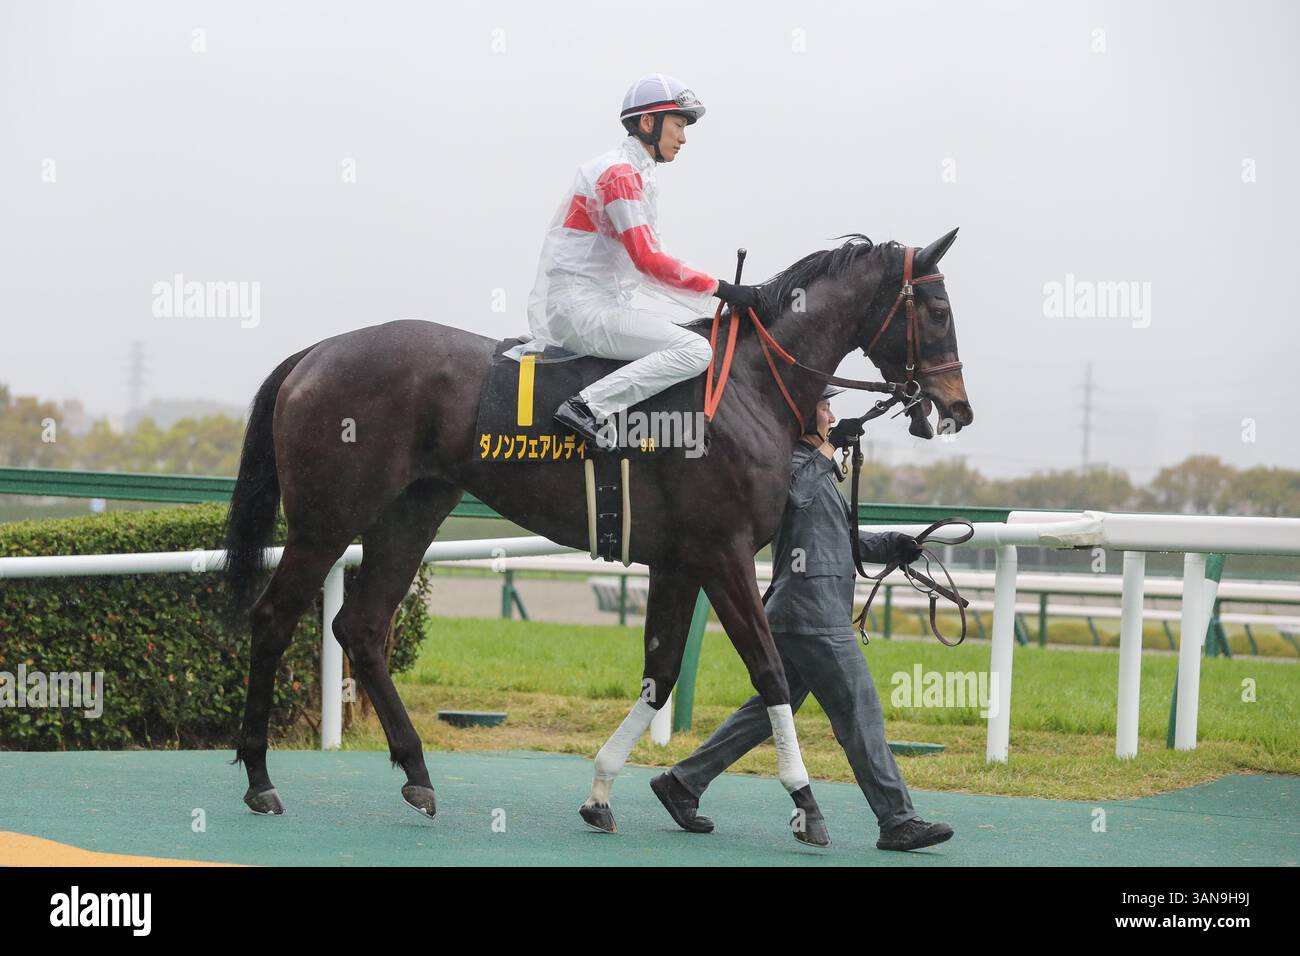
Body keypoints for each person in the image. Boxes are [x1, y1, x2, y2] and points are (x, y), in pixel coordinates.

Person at [649, 386, 956, 852]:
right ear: (802, 416)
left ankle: (682, 783)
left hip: (802, 615)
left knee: (764, 713)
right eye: (825, 407)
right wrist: (829, 450)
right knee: (860, 711)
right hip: (814, 618)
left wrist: (895, 542)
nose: (832, 415)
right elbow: (794, 496)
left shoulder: (817, 466)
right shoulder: (788, 464)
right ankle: (897, 820)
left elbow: (840, 537)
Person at [503, 73, 764, 448]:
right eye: (679, 125)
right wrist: (722, 289)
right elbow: (648, 261)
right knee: (694, 349)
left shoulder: (633, 172)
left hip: (589, 303)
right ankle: (586, 408)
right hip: (580, 310)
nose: (684, 137)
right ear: (648, 123)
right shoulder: (619, 174)